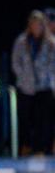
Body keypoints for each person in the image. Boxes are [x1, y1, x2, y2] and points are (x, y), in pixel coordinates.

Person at [10, 9, 55, 156]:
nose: (36, 27)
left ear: (43, 26)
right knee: (26, 118)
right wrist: (22, 76)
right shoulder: (21, 41)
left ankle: (40, 149)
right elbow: (15, 61)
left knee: (42, 119)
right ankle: (26, 145)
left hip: (44, 86)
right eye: (34, 24)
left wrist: (49, 76)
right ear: (30, 25)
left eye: (39, 25)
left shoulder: (50, 43)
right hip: (26, 86)